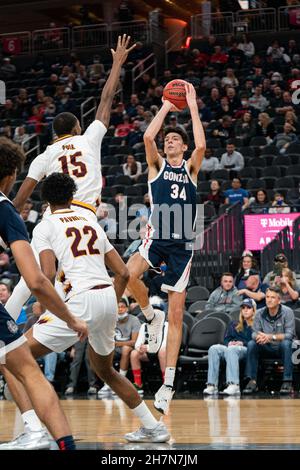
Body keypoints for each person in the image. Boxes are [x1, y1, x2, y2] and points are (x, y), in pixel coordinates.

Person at [1, 172, 170, 446]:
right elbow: (124, 273)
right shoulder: (90, 221)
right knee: (106, 371)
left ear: (45, 200)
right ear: (72, 197)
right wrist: (112, 304)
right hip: (106, 297)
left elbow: (45, 274)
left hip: (79, 302)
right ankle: (154, 427)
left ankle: (33, 431)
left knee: (9, 356)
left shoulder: (45, 226)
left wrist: (45, 305)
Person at [4, 34, 136, 327]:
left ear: (54, 135)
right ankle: (122, 320)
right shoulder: (88, 139)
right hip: (84, 218)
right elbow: (106, 98)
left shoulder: (46, 153)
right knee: (108, 273)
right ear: (77, 127)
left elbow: (19, 199)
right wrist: (116, 64)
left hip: (53, 219)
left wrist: (6, 225)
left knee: (34, 275)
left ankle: (10, 323)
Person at [0, 138, 88, 450]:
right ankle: (61, 443)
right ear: (11, 176)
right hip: (84, 297)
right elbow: (37, 279)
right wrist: (70, 318)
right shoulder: (6, 210)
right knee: (26, 368)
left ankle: (34, 431)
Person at [126, 83, 206, 414]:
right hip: (157, 238)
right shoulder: (156, 166)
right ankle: (148, 314)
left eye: (175, 139)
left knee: (176, 314)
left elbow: (202, 143)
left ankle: (168, 383)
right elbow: (147, 138)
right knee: (126, 274)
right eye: (167, 140)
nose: (168, 141)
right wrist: (164, 106)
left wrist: (191, 105)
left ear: (183, 148)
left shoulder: (189, 168)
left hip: (182, 246)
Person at [243, 287, 295, 395]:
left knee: (287, 343)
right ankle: (252, 381)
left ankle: (287, 382)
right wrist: (259, 337)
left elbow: (290, 335)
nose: (269, 300)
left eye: (272, 297)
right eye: (267, 297)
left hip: (281, 347)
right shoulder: (259, 313)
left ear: (279, 300)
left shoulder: (287, 312)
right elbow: (253, 333)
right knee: (252, 344)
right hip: (265, 346)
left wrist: (270, 337)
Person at [203, 298, 256, 396]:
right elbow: (226, 339)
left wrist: (241, 343)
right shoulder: (234, 324)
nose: (245, 310)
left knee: (232, 349)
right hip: (232, 348)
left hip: (247, 349)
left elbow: (255, 341)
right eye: (243, 307)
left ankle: (234, 385)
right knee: (214, 348)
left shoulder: (257, 325)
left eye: (248, 307)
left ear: (254, 310)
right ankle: (212, 385)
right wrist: (230, 343)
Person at [98, 296, 141, 396]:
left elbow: (134, 342)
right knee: (105, 349)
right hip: (113, 347)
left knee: (126, 349)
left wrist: (118, 344)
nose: (120, 309)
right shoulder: (111, 320)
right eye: (118, 307)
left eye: (123, 307)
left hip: (129, 347)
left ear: (127, 308)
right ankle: (107, 383)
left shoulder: (134, 320)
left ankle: (120, 382)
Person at [131, 320, 168, 396]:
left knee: (162, 351)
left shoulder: (166, 325)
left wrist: (148, 347)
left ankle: (166, 385)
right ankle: (138, 384)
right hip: (149, 352)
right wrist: (140, 348)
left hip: (165, 351)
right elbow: (138, 343)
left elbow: (164, 343)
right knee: (134, 353)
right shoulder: (144, 325)